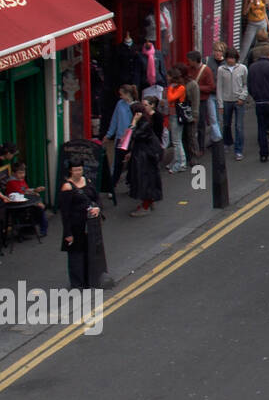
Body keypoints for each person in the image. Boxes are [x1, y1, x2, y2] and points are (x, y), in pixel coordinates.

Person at [59, 159, 112, 289]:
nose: (78, 172)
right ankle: (77, 284)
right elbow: (65, 213)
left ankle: (89, 280)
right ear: (71, 170)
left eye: (80, 170)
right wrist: (68, 233)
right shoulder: (67, 187)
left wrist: (98, 208)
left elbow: (96, 198)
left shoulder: (87, 181)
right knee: (76, 255)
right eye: (76, 170)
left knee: (89, 252)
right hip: (75, 226)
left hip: (90, 225)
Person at [125, 99, 165, 217]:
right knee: (147, 181)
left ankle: (146, 205)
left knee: (144, 181)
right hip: (145, 154)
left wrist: (133, 122)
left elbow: (132, 135)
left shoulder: (143, 123)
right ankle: (149, 202)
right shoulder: (144, 121)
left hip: (145, 157)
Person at [101, 83, 137, 198]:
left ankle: (132, 185)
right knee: (117, 164)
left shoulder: (136, 106)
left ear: (127, 94)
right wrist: (109, 135)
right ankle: (112, 187)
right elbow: (114, 120)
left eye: (121, 94)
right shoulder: (119, 104)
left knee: (132, 163)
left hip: (131, 139)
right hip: (120, 138)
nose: (120, 96)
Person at [218, 49, 250, 161]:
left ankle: (238, 150)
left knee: (239, 126)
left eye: (232, 58)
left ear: (236, 58)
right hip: (226, 101)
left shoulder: (243, 68)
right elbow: (219, 87)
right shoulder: (221, 70)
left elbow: (246, 84)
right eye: (228, 58)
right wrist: (220, 104)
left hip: (238, 101)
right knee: (226, 124)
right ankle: (227, 142)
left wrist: (242, 97)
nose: (230, 60)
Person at [5, 161, 49, 237]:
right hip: (17, 206)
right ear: (13, 173)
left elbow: (26, 190)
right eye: (20, 173)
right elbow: (22, 194)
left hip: (24, 203)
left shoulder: (21, 180)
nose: (22, 175)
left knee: (40, 206)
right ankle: (41, 229)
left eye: (23, 173)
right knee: (39, 209)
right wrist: (35, 199)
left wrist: (35, 190)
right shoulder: (11, 182)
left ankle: (36, 228)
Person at [187, 50, 217, 155]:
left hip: (202, 100)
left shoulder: (206, 70)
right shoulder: (189, 70)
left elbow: (211, 87)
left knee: (200, 124)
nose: (188, 63)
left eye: (190, 61)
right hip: (190, 100)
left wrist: (196, 88)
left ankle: (200, 147)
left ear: (195, 61)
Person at [241, 0, 269, 65]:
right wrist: (250, 4)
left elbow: (264, 12)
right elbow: (244, 12)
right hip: (252, 23)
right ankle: (241, 62)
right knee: (246, 45)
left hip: (262, 22)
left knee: (261, 44)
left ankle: (259, 62)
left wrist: (268, 25)